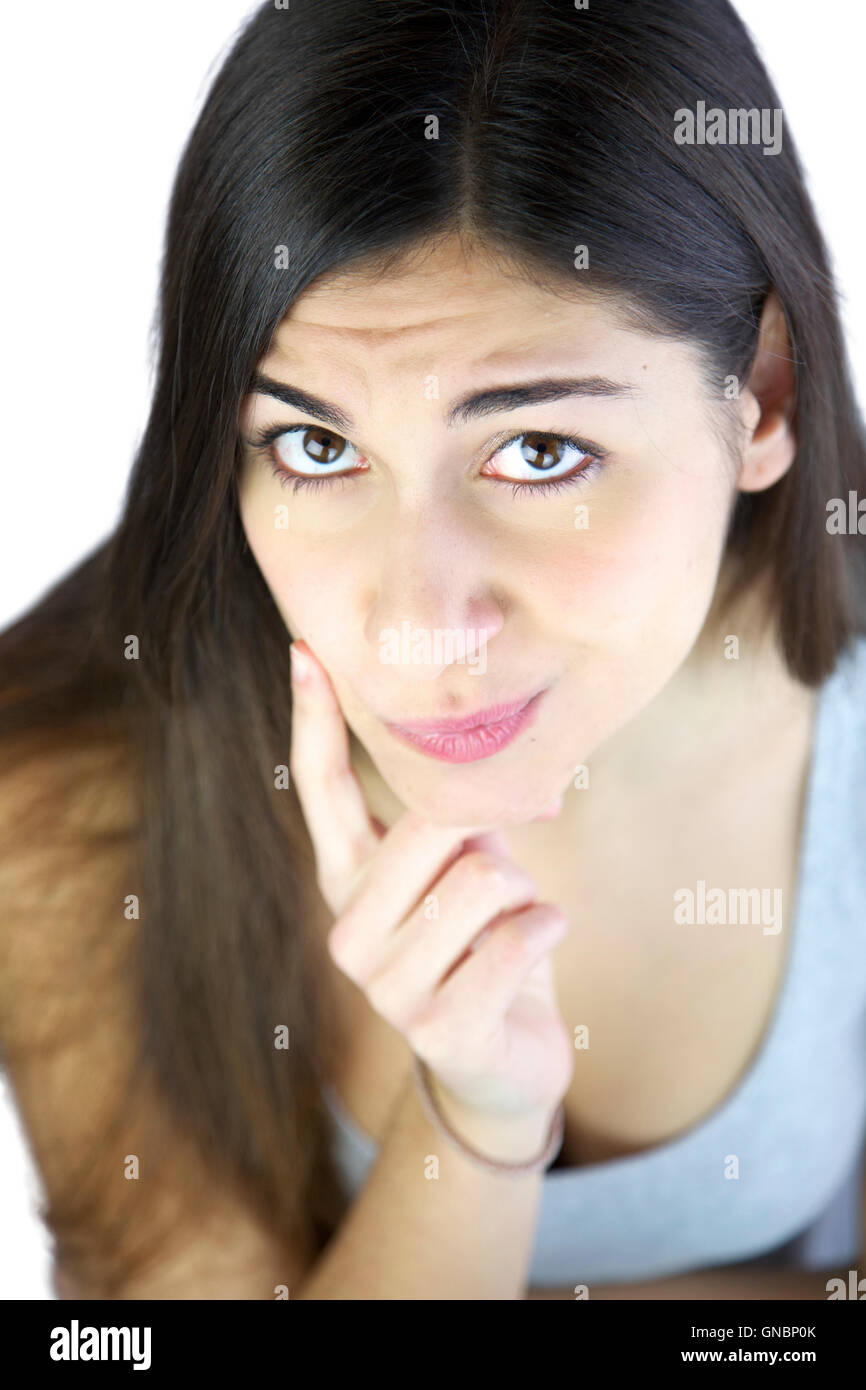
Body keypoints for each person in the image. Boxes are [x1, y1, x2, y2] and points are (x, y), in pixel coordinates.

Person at [1, 0, 864, 1301]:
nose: (417, 617)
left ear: (763, 397)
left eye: (535, 453)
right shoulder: (60, 799)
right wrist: (477, 1127)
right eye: (315, 447)